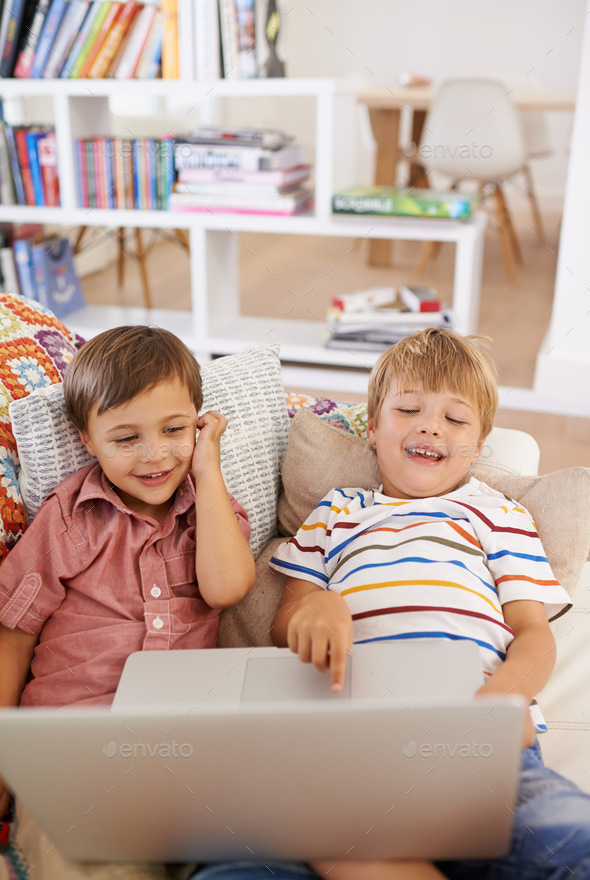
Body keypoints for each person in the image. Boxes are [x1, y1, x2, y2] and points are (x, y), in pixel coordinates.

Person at [269, 328, 590, 880]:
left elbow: (534, 634)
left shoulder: (497, 514)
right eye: (409, 408)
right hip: (353, 741)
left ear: (478, 441)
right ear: (372, 429)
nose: (430, 425)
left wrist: (505, 696)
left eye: (455, 419)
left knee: (571, 839)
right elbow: (286, 620)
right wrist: (315, 608)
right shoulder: (338, 511)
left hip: (479, 738)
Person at [0, 325, 261, 879]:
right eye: (126, 439)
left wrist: (207, 465)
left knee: (258, 844)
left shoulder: (209, 512)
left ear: (199, 421)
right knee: (100, 860)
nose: (155, 455)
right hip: (75, 748)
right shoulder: (70, 517)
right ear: (87, 440)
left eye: (175, 430)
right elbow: (14, 636)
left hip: (187, 754)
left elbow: (227, 588)